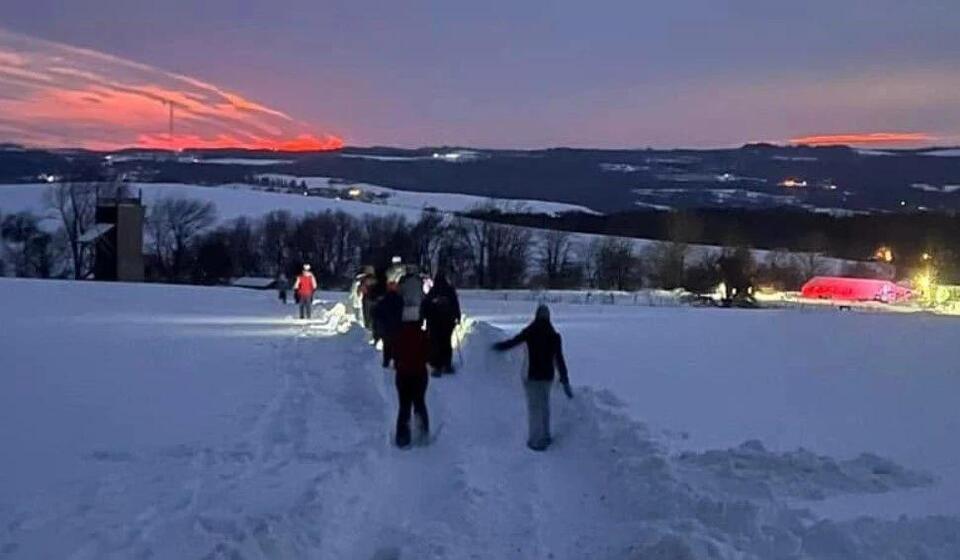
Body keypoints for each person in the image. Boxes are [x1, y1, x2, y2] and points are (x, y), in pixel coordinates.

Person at [492, 304, 573, 451]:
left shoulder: (530, 331)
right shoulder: (554, 335)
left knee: (534, 408)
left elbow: (513, 342)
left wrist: (498, 347)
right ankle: (546, 436)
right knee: (544, 407)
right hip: (547, 377)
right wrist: (565, 380)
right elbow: (559, 360)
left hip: (532, 376)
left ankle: (536, 441)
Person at [391, 320, 431, 448]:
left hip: (403, 375)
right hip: (419, 374)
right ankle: (423, 433)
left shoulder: (398, 334)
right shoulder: (423, 335)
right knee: (419, 403)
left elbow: (393, 353)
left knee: (404, 406)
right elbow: (429, 354)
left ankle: (402, 437)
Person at [422, 272, 461, 375]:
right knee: (446, 342)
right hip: (448, 321)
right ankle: (447, 364)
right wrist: (457, 317)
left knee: (435, 343)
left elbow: (425, 305)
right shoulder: (450, 290)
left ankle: (437, 366)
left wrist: (424, 317)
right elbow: (455, 304)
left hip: (435, 322)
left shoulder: (433, 291)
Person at [374, 282, 404, 368]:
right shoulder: (400, 300)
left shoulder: (383, 300)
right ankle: (396, 362)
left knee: (387, 345)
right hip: (397, 326)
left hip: (386, 327)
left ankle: (386, 361)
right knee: (397, 345)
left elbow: (377, 313)